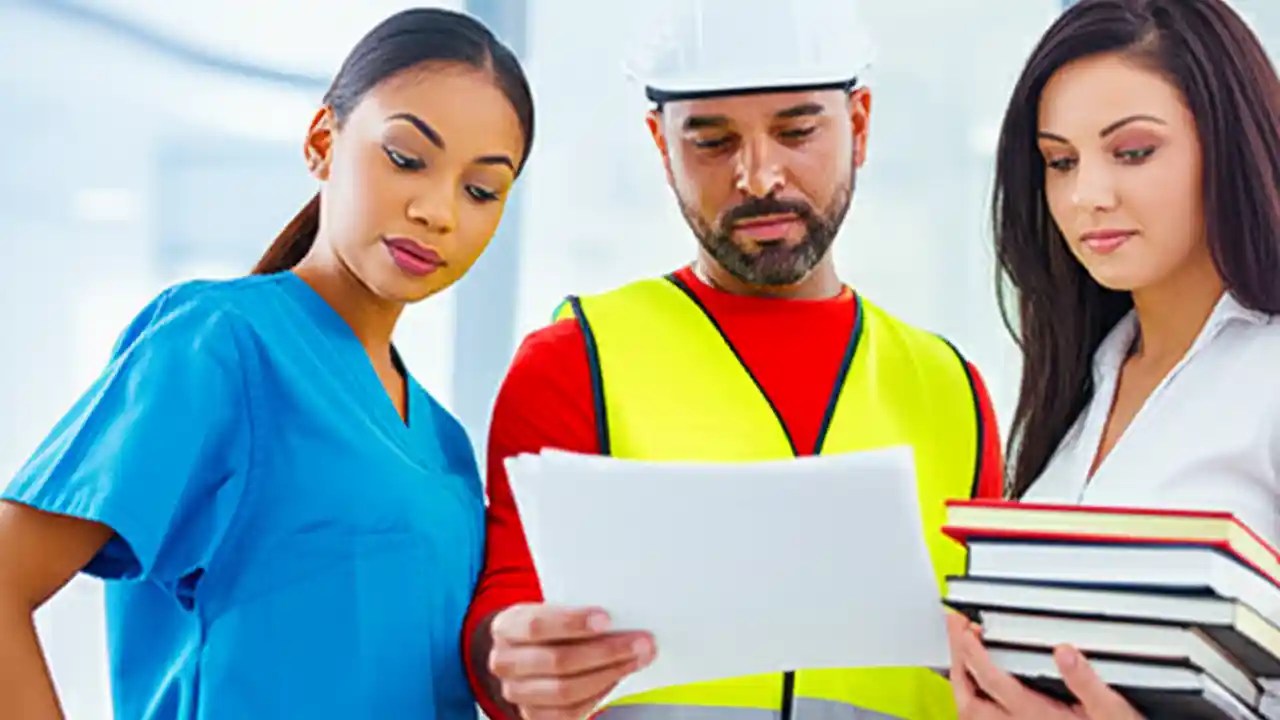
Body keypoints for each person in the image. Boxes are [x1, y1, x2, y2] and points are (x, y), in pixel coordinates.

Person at [462, 2, 1004, 719]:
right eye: (713, 141)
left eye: (798, 131)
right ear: (661, 145)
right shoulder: (575, 362)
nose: (758, 177)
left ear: (860, 126)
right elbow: (505, 609)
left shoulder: (953, 391)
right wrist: (511, 661)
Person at [0, 8, 534, 720]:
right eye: (406, 158)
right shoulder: (216, 344)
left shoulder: (444, 444)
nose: (438, 211)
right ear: (323, 141)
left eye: (480, 191)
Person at [945, 0, 1280, 717]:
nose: (1084, 196)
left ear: (1227, 142)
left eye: (1132, 152)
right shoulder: (1082, 386)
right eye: (1059, 161)